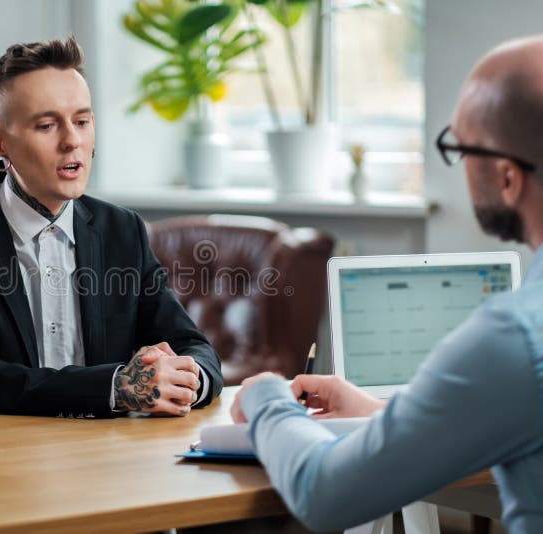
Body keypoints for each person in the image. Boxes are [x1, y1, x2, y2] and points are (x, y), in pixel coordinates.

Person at [231, 35, 543, 533]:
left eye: (458, 147)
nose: (458, 166)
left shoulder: (515, 335)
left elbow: (323, 491)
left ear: (507, 179)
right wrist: (384, 415)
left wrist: (267, 396)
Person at [0, 37, 222, 418]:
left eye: (82, 121)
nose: (72, 141)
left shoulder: (122, 229)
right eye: (47, 125)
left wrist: (183, 378)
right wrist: (115, 388)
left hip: (106, 457)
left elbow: (193, 347)